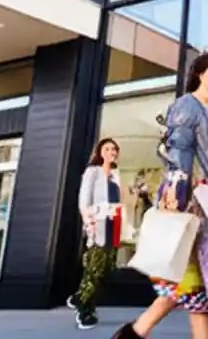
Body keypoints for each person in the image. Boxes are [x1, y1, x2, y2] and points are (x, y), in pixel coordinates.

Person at [111, 53, 208, 339]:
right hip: (190, 205)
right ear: (204, 73)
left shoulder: (207, 113)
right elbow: (178, 154)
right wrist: (176, 198)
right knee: (193, 285)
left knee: (187, 285)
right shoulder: (186, 107)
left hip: (207, 204)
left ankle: (133, 334)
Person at [69, 138, 122, 330]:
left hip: (113, 224)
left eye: (114, 149)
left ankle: (79, 298)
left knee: (107, 268)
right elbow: (84, 199)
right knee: (95, 268)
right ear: (100, 152)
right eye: (107, 148)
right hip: (97, 222)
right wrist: (88, 222)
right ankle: (85, 309)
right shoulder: (92, 172)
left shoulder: (116, 174)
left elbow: (118, 200)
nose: (112, 152)